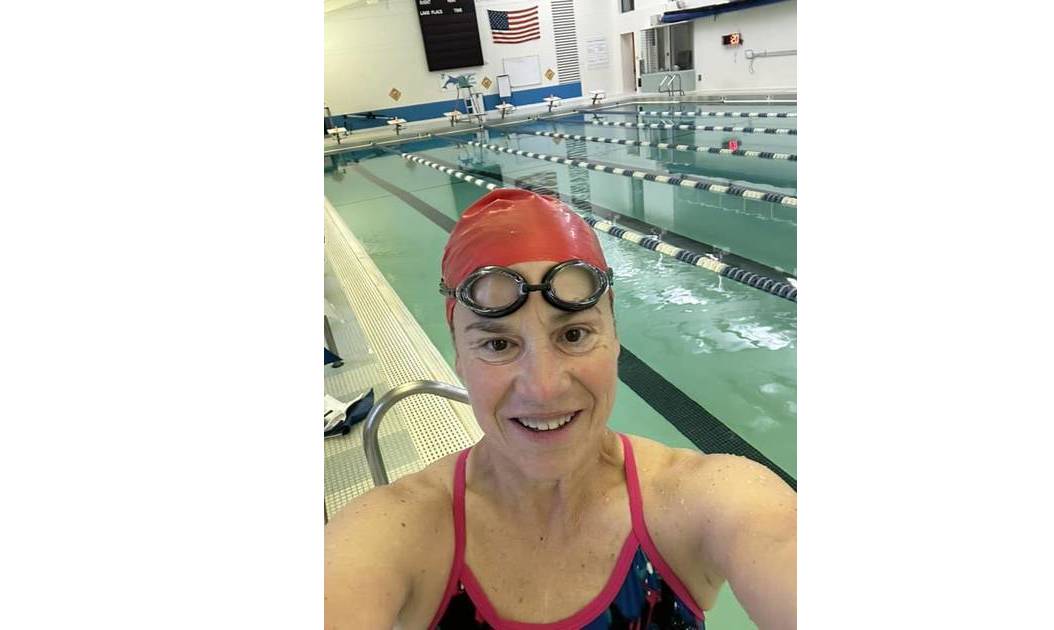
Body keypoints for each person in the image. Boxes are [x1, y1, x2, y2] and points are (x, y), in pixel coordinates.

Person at [325, 189, 796, 629]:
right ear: (459, 361)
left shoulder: (704, 500)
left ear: (614, 340)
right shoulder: (394, 532)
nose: (544, 388)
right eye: (497, 343)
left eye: (573, 335)